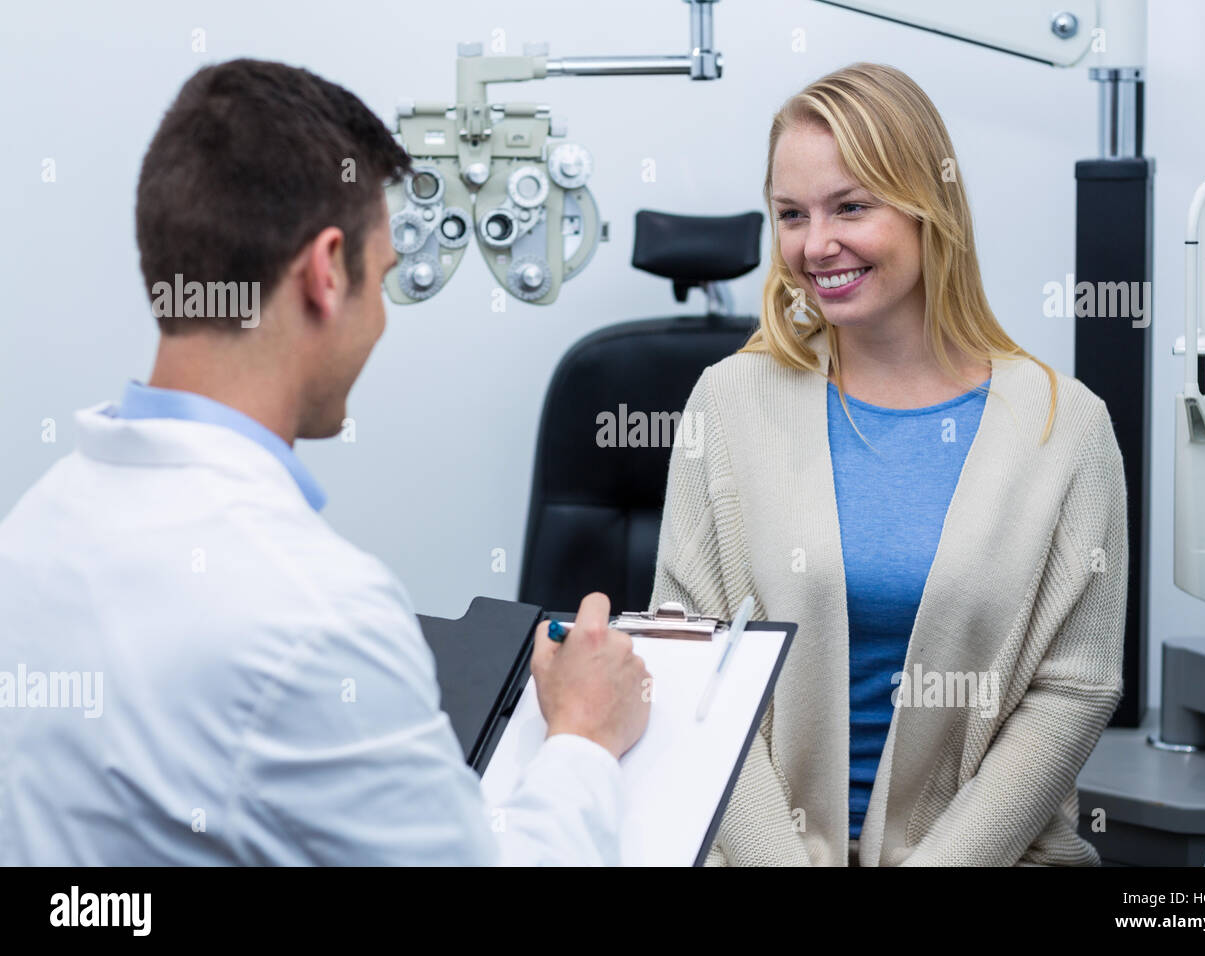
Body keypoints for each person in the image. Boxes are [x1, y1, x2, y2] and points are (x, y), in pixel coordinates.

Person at [0, 58, 649, 866]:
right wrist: (585, 738)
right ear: (323, 272)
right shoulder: (315, 613)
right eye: (382, 280)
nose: (381, 320)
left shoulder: (31, 531)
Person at [650, 62, 1129, 866]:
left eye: (851, 207)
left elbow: (1072, 692)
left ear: (926, 207)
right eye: (791, 214)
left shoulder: (1064, 426)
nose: (816, 245)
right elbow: (695, 666)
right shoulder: (729, 403)